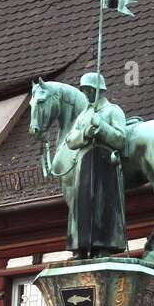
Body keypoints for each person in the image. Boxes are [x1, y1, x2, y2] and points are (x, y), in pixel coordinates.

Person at [63, 72, 128, 258]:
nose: (86, 94)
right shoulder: (84, 115)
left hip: (105, 164)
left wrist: (102, 128)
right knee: (82, 205)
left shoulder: (113, 111)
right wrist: (86, 133)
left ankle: (104, 245)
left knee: (103, 204)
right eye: (84, 90)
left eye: (89, 90)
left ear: (99, 90)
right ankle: (80, 246)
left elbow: (121, 140)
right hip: (84, 163)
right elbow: (70, 140)